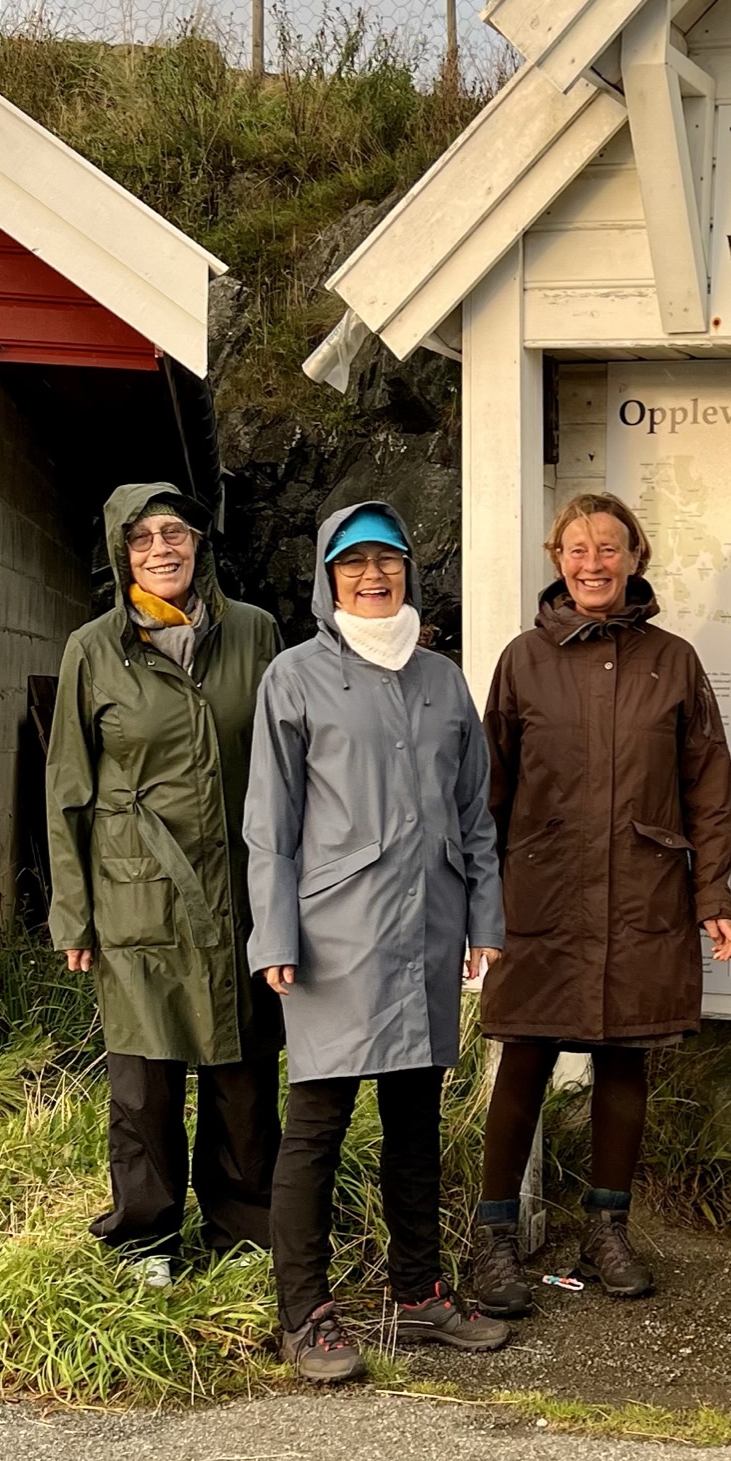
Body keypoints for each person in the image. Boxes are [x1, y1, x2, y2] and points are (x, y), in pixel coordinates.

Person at [244, 502, 508, 1383]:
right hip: (333, 933)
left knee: (413, 1118)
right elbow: (269, 823)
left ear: (409, 572)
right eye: (353, 563)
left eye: (388, 560)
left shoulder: (442, 679)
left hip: (426, 928)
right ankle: (305, 1312)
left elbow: (474, 814)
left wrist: (484, 920)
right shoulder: (295, 675)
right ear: (327, 578)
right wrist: (273, 929)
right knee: (315, 1121)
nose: (372, 575)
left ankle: (418, 1290)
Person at [470, 491, 731, 1318]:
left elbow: (709, 785)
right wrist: (480, 905)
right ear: (557, 558)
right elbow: (489, 788)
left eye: (609, 548)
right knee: (525, 1055)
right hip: (542, 893)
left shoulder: (674, 660)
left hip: (642, 892)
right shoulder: (522, 660)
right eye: (578, 548)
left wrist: (712, 893)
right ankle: (492, 1240)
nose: (593, 563)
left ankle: (607, 1230)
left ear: (635, 558)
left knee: (627, 1055)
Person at [47, 483, 284, 1289]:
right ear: (122, 552)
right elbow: (68, 788)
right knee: (143, 1083)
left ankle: (243, 1230)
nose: (161, 548)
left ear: (197, 541)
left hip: (241, 887)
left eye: (174, 531)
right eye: (143, 536)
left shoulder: (255, 632)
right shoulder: (94, 647)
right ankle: (145, 1241)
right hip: (134, 890)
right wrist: (73, 913)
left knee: (244, 1072)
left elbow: (290, 767)